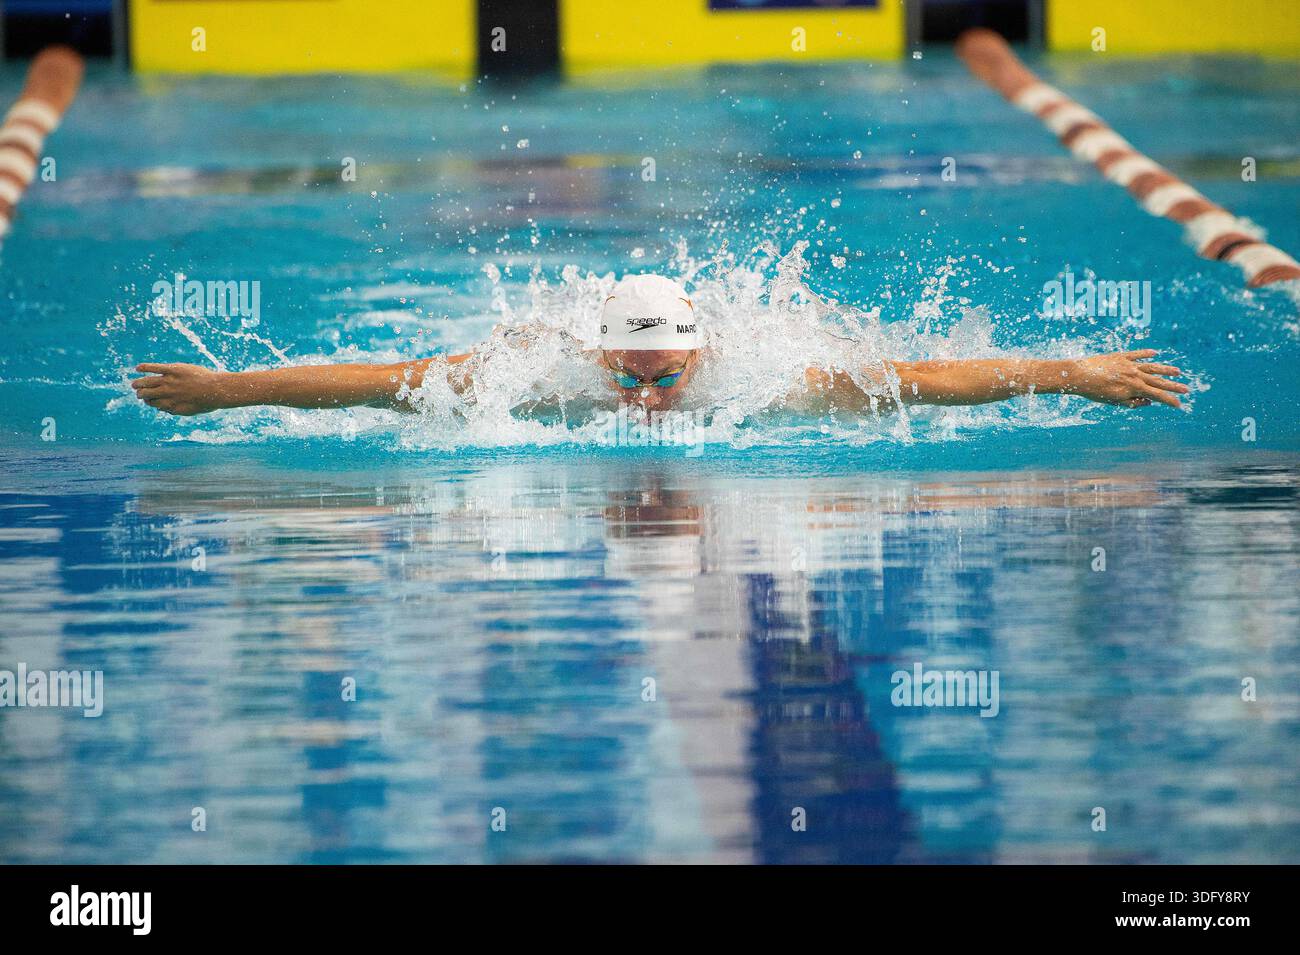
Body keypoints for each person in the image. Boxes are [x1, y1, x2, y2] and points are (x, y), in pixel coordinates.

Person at [130, 273, 1188, 419]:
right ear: (598, 356)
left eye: (665, 374)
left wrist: (1074, 371)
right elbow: (376, 383)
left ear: (698, 353)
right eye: (627, 373)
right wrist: (226, 389)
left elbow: (925, 378)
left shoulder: (762, 377)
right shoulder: (537, 374)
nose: (644, 397)